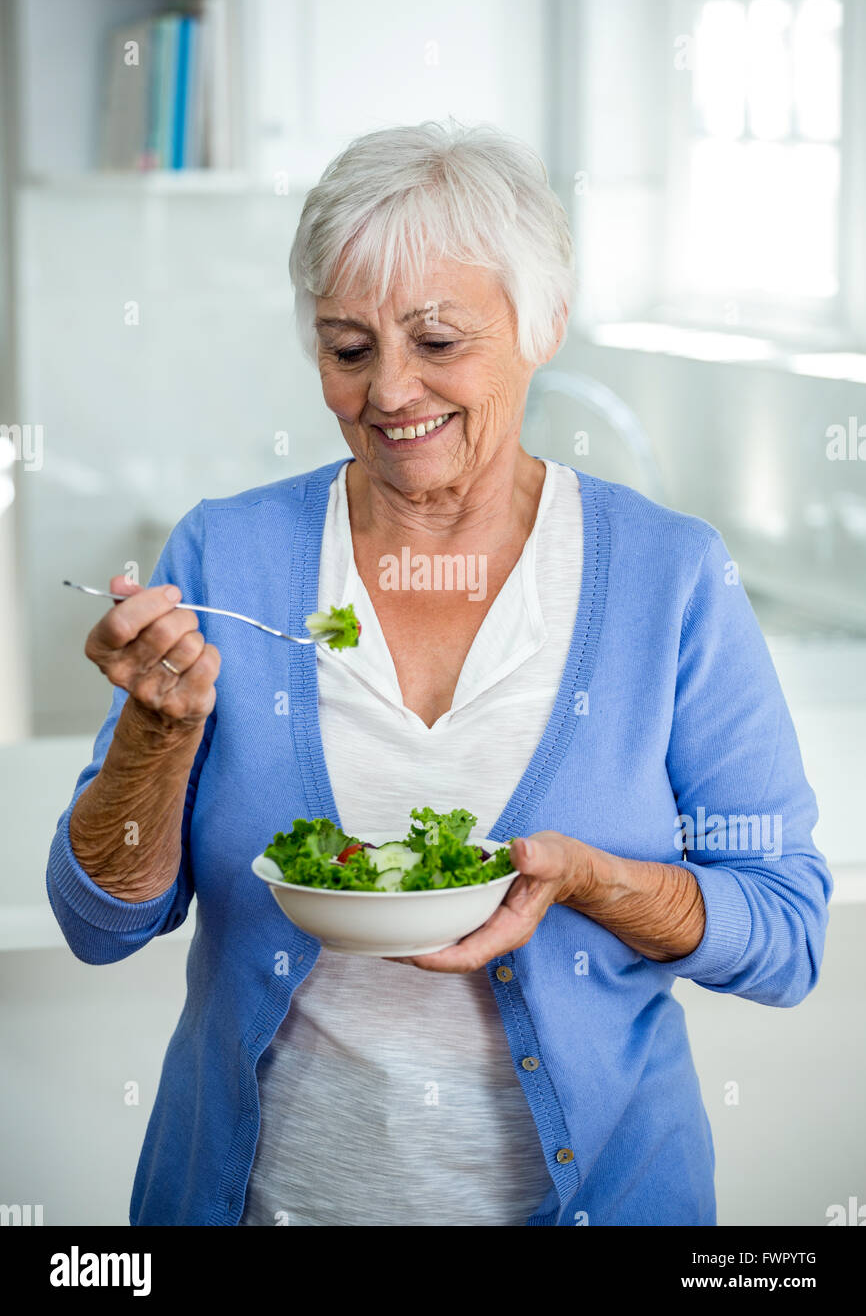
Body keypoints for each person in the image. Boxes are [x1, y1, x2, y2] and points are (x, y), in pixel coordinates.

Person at [48, 120, 832, 1226]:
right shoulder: (227, 557)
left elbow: (786, 930)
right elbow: (98, 921)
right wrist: (155, 734)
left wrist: (596, 884)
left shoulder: (668, 578)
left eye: (437, 341)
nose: (388, 392)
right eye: (348, 347)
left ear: (543, 321)